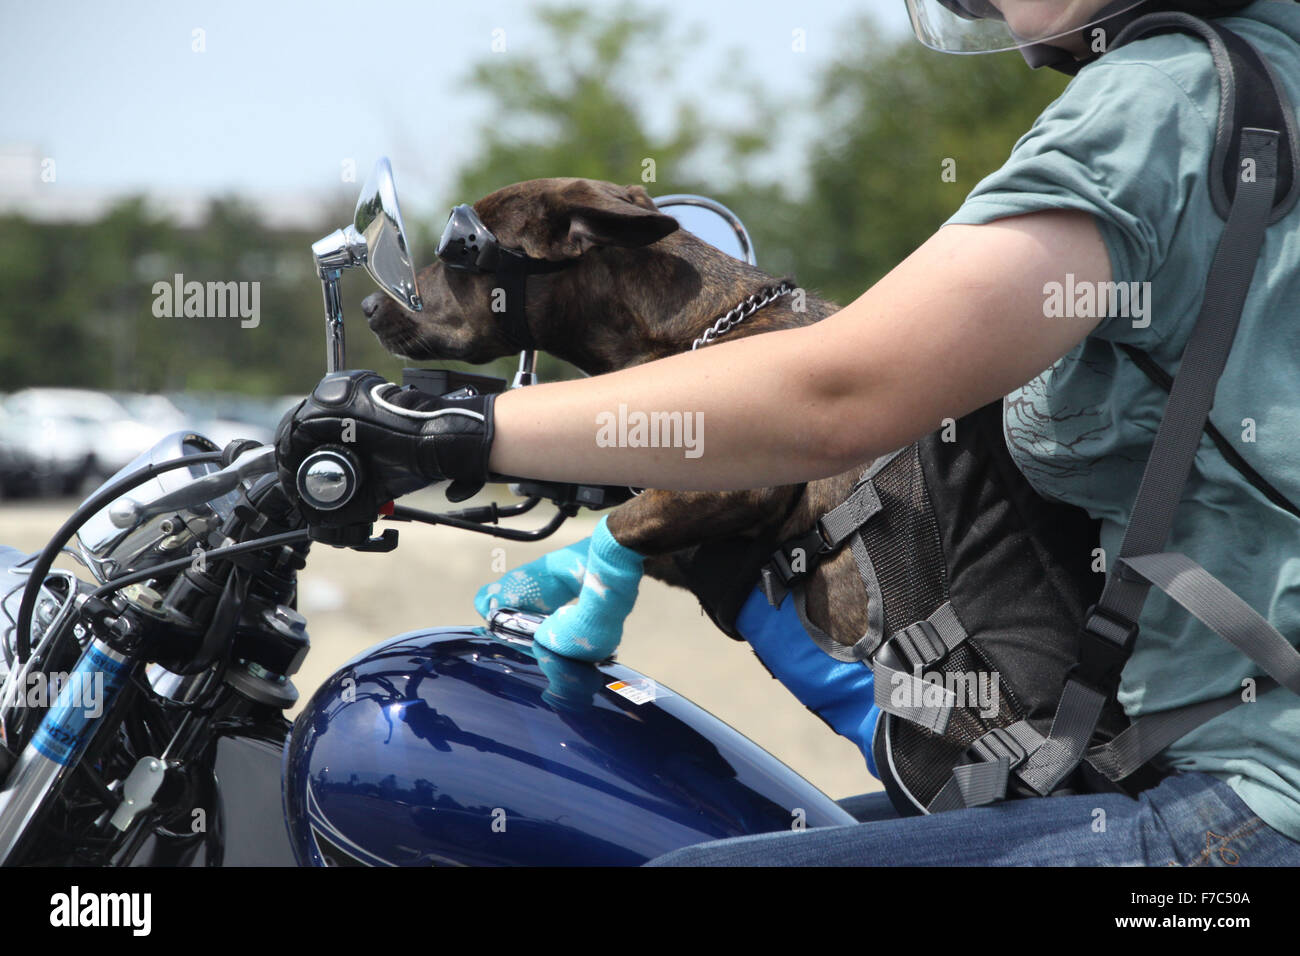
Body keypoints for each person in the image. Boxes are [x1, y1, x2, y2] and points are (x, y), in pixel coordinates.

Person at [276, 0, 1300, 865]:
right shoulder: (1270, 71)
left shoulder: (1159, 105)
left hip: (1249, 806)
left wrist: (464, 425)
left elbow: (843, 390)